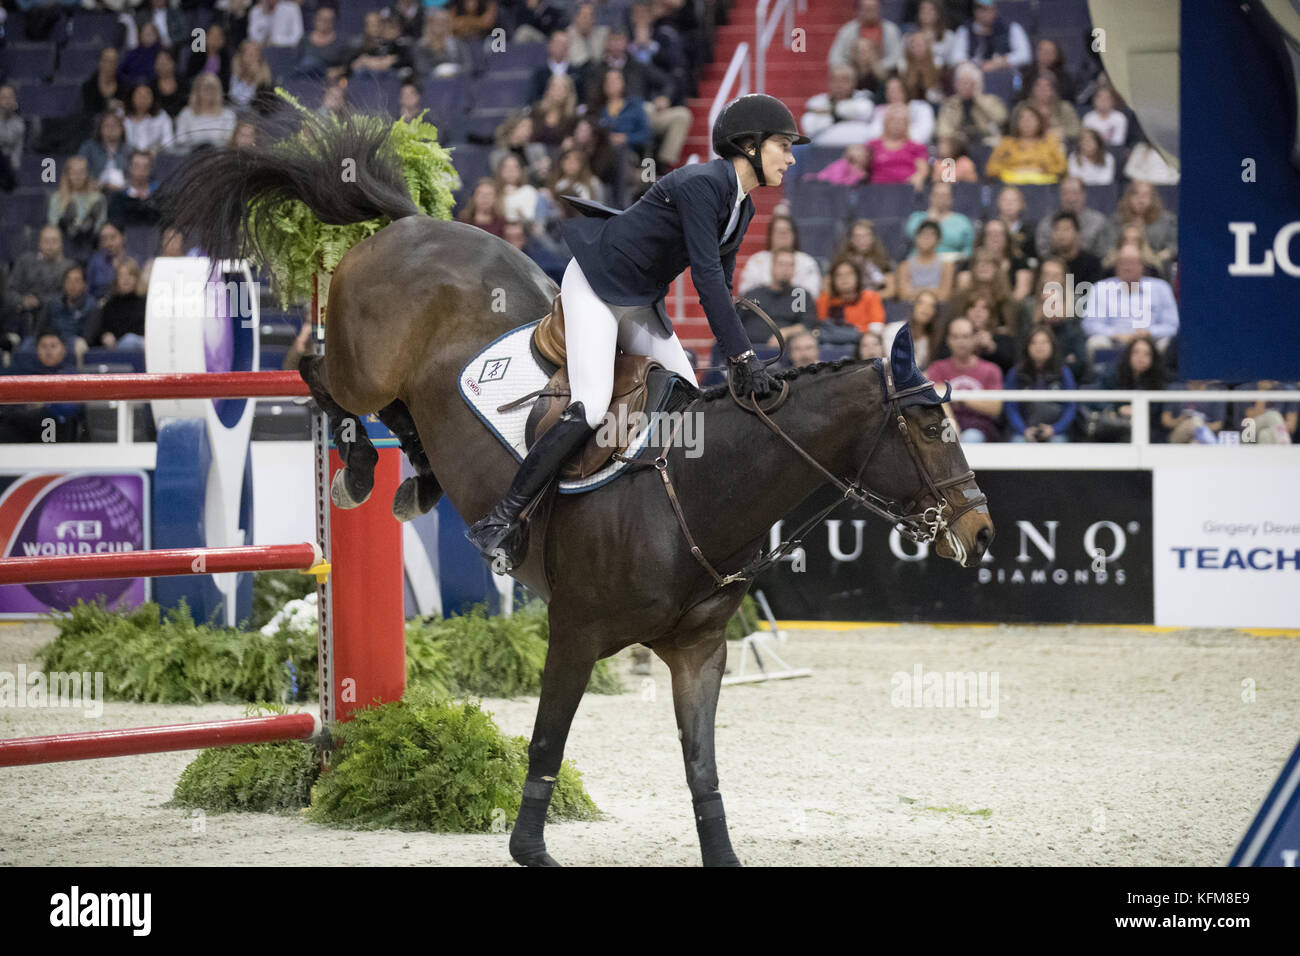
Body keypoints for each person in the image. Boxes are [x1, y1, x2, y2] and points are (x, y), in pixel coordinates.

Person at [467, 94, 807, 569]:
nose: (791, 157)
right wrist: (743, 358)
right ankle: (502, 518)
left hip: (640, 298)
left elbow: (721, 286)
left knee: (689, 402)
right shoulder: (701, 183)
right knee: (591, 404)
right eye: (783, 145)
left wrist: (741, 357)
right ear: (748, 145)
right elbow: (705, 280)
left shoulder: (741, 207)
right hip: (596, 284)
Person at [1082, 246, 1179, 358]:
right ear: (1116, 266)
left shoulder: (1161, 287)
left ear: (1142, 265)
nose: (1127, 267)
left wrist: (1149, 333)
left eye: (1131, 262)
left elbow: (1172, 325)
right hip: (1114, 341)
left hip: (1151, 342)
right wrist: (1115, 334)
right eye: (1122, 262)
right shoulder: (1101, 288)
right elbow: (1089, 324)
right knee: (1095, 342)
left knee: (1167, 343)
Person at [925, 315, 1004, 442]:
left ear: (974, 338)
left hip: (979, 426)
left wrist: (960, 397)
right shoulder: (937, 368)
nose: (961, 342)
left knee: (970, 437)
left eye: (965, 336)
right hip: (945, 425)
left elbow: (995, 409)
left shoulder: (991, 369)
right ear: (948, 340)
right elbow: (936, 402)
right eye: (955, 337)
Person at [0, 333, 81, 444]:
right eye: (43, 346)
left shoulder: (71, 375)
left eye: (53, 346)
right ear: (37, 350)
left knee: (48, 420)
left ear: (63, 349)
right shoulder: (27, 373)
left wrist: (45, 405)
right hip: (24, 427)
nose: (48, 351)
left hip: (57, 426)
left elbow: (70, 408)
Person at [1004, 325, 1077, 442]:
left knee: (1059, 443)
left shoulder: (1063, 372)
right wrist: (1024, 430)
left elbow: (1070, 407)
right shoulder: (1016, 373)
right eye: (1034, 343)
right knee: (1017, 443)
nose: (1039, 347)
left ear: (1052, 346)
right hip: (1023, 431)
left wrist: (1054, 429)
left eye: (1044, 342)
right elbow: (1011, 408)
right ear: (1027, 346)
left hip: (1056, 432)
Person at [1089, 335, 1166, 442]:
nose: (1141, 357)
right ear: (1128, 354)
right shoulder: (1112, 373)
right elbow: (1097, 397)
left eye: (1146, 354)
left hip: (1147, 430)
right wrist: (1117, 409)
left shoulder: (1158, 380)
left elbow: (1157, 412)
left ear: (1153, 358)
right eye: (1136, 352)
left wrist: (1139, 411)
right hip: (1113, 427)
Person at [737, 249, 815, 346]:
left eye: (791, 265)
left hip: (787, 350)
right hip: (752, 348)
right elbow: (736, 323)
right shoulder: (753, 294)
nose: (786, 269)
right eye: (781, 264)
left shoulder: (801, 295)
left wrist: (785, 332)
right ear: (772, 266)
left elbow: (807, 325)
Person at [737, 214, 821, 297]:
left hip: (795, 308)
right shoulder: (756, 261)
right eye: (778, 231)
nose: (782, 235)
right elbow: (745, 293)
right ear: (771, 235)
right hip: (762, 308)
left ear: (794, 235)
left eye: (786, 231)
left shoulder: (807, 263)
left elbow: (812, 296)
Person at [1034, 176, 1115, 260]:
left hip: (1088, 269)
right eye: (1066, 193)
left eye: (1075, 193)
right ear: (1060, 195)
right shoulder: (1047, 223)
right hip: (1055, 268)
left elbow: (1106, 252)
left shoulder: (1099, 222)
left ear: (1084, 195)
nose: (1070, 199)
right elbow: (1043, 253)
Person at [931, 293, 1016, 373]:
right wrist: (968, 345)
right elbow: (941, 359)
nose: (978, 311)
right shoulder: (954, 332)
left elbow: (1012, 365)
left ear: (991, 314)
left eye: (984, 308)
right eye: (973, 306)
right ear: (966, 311)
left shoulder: (1002, 338)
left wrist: (992, 348)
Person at [985, 103, 1066, 184]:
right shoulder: (1006, 143)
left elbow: (1062, 168)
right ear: (1016, 122)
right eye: (1022, 118)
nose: (1027, 121)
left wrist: (1043, 170)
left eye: (1031, 117)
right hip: (1012, 186)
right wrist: (1014, 170)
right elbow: (991, 169)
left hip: (1045, 187)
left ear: (1039, 121)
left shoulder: (1050, 143)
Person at [47, 157, 107, 264]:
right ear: (67, 175)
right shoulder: (57, 198)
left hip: (89, 244)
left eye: (81, 172)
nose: (78, 176)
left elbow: (100, 225)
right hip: (65, 244)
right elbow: (53, 225)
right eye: (74, 172)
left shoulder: (98, 198)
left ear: (87, 174)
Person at [935, 61, 1007, 146]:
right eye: (961, 83)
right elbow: (943, 129)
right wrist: (956, 137)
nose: (965, 86)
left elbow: (1001, 119)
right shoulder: (950, 104)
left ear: (977, 84)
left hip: (985, 140)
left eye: (969, 83)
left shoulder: (990, 101)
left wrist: (979, 98)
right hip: (959, 143)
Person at [815, 258, 885, 343]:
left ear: (857, 277)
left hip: (862, 344)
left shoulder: (870, 297)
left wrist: (856, 332)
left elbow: (877, 328)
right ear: (833, 280)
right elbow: (821, 328)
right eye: (838, 275)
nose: (844, 278)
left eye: (849, 274)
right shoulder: (825, 300)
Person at [801, 64, 874, 145]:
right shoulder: (817, 102)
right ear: (829, 82)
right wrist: (843, 116)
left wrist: (830, 112)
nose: (839, 84)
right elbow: (808, 127)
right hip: (822, 150)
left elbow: (865, 112)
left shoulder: (863, 99)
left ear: (854, 82)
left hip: (857, 149)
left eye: (844, 80)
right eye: (835, 80)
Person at [948, 0, 1031, 71]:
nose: (986, 14)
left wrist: (999, 62)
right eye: (981, 9)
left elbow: (1024, 55)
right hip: (974, 74)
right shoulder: (965, 30)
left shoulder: (1011, 27)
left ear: (995, 9)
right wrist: (975, 65)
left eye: (989, 9)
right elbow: (955, 58)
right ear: (975, 11)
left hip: (1002, 73)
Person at [1113, 180, 1177, 271]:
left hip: (1156, 266)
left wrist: (1157, 259)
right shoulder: (1116, 220)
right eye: (1136, 194)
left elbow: (1173, 247)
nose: (1141, 200)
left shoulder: (1167, 220)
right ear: (1128, 197)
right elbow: (1107, 249)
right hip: (1122, 265)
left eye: (1146, 195)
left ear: (1153, 198)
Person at [829, 0, 903, 76]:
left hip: (883, 76)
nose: (870, 11)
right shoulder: (847, 30)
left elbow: (897, 57)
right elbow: (835, 57)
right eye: (866, 8)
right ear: (859, 10)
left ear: (879, 9)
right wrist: (849, 69)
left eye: (873, 8)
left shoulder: (891, 30)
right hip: (853, 75)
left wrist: (876, 67)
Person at [85, 259, 146, 349]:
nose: (126, 279)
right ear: (116, 280)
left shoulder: (145, 303)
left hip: (140, 348)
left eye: (130, 275)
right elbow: (101, 329)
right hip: (116, 349)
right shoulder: (110, 304)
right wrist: (105, 335)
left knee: (129, 341)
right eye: (122, 275)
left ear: (137, 278)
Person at [905, 180, 974, 258]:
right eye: (937, 194)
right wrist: (930, 221)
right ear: (930, 197)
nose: (940, 198)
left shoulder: (961, 221)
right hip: (920, 261)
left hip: (952, 263)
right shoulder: (917, 217)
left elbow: (968, 249)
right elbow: (910, 236)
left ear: (951, 199)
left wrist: (959, 259)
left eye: (944, 195)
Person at [866, 104, 929, 188]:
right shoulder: (872, 145)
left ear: (907, 125)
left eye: (901, 121)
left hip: (905, 189)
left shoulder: (917, 147)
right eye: (893, 120)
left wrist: (917, 178)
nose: (897, 124)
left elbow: (922, 170)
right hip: (877, 191)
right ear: (886, 122)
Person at [171, 74, 238, 152]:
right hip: (191, 157)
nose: (209, 92)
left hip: (220, 158)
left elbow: (230, 142)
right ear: (197, 91)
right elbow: (180, 141)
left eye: (213, 89)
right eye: (206, 88)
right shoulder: (186, 114)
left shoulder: (228, 115)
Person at [830, 218, 895, 298]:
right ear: (851, 240)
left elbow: (891, 289)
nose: (862, 240)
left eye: (866, 235)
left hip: (878, 303)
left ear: (873, 238)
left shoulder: (883, 260)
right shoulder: (843, 262)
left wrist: (870, 299)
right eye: (858, 236)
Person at [896, 220, 954, 301]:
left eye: (931, 235)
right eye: (923, 234)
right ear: (916, 238)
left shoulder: (947, 266)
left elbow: (944, 295)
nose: (926, 238)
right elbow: (904, 295)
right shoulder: (904, 266)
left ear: (939, 240)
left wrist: (916, 291)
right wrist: (931, 291)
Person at [884, 288, 941, 369]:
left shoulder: (931, 339)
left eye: (931, 306)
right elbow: (896, 363)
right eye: (921, 303)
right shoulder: (894, 330)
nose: (925, 308)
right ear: (913, 306)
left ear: (935, 312)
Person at [1046, 211, 1104, 286]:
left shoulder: (1091, 265)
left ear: (1077, 233)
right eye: (1057, 229)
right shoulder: (1046, 263)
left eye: (1066, 229)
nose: (1061, 234)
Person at [78, 112, 131, 190]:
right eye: (107, 125)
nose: (111, 129)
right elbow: (79, 169)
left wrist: (124, 186)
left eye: (115, 125)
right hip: (93, 190)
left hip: (122, 191)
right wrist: (92, 183)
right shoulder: (88, 148)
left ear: (122, 128)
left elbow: (135, 176)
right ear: (100, 129)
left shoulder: (130, 149)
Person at [123, 84, 174, 154]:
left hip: (156, 156)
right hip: (128, 157)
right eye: (139, 95)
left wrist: (155, 151)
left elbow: (169, 142)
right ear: (132, 97)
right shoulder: (123, 117)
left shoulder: (162, 116)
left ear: (153, 97)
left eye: (147, 95)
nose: (143, 98)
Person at [86, 222, 127, 303]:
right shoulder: (95, 261)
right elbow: (88, 292)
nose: (109, 243)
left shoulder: (135, 261)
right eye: (104, 239)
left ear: (123, 237)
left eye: (113, 237)